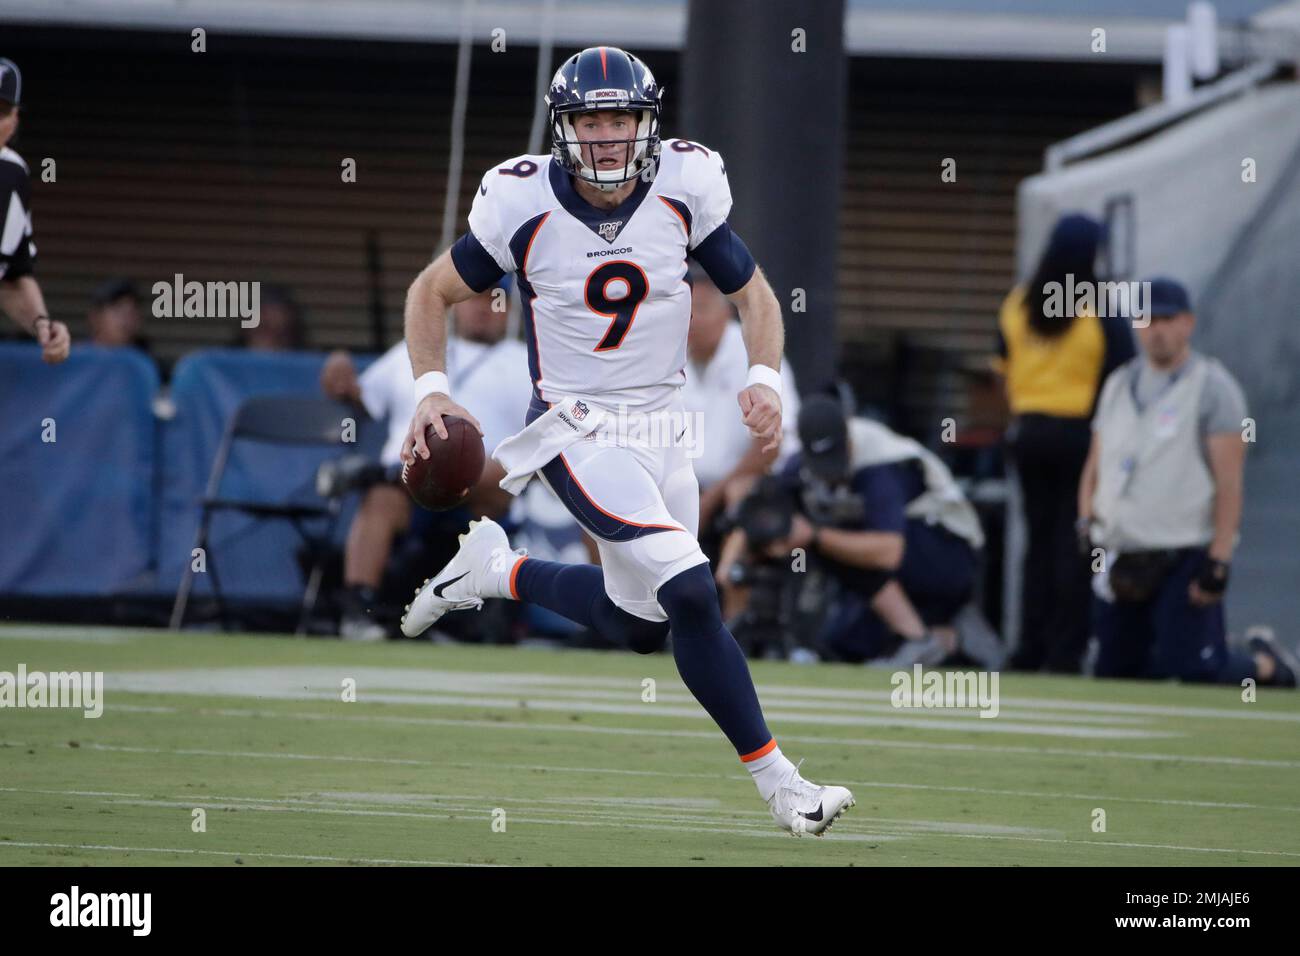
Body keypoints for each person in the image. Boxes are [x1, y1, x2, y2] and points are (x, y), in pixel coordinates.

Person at [397, 47, 853, 835]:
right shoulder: (521, 200)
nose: (606, 137)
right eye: (589, 121)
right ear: (562, 127)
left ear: (648, 124)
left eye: (620, 119)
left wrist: (766, 379)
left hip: (665, 425)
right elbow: (431, 291)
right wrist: (431, 393)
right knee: (692, 590)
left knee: (644, 626)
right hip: (578, 426)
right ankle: (785, 787)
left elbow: (756, 296)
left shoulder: (685, 185)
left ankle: (498, 571)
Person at [1079, 278, 1297, 687]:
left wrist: (1219, 558)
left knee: (1197, 668)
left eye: (1167, 318)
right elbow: (1095, 462)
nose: (1156, 329)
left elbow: (1230, 482)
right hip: (1124, 548)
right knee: (1115, 669)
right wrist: (1085, 519)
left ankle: (1269, 666)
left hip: (1182, 550)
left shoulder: (1213, 387)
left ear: (1188, 324)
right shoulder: (1117, 384)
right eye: (1147, 318)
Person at [320, 280, 530, 640]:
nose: (483, 308)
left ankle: (385, 472)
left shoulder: (523, 362)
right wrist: (340, 376)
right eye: (473, 298)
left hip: (481, 492)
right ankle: (358, 607)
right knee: (380, 500)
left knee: (499, 475)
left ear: (509, 311)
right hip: (409, 493)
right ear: (454, 307)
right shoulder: (419, 349)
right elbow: (361, 397)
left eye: (494, 301)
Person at [716, 395, 992, 666]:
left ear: (848, 438)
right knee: (843, 644)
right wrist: (733, 559)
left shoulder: (879, 465)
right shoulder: (802, 463)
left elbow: (888, 553)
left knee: (829, 541)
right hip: (903, 564)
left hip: (948, 554)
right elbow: (765, 505)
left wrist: (813, 535)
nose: (829, 473)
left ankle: (918, 638)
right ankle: (938, 636)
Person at [995, 213, 1135, 673]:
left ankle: (1027, 647)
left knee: (1035, 546)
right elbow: (1122, 375)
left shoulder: (1018, 303)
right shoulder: (1099, 306)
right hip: (1080, 437)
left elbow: (1001, 369)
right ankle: (1064, 652)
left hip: (1028, 434)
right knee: (1073, 545)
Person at [682, 266, 800, 558]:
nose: (693, 320)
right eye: (686, 309)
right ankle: (616, 600)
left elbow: (770, 447)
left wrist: (712, 498)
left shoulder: (753, 354)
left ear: (726, 312)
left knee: (741, 494)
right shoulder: (665, 354)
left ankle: (733, 595)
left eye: (703, 308)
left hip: (754, 480)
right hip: (688, 486)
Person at [0, 57, 70, 363]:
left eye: (0, 112)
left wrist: (41, 323)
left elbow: (11, 276)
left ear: (14, 120)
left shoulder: (12, 176)